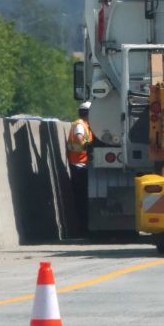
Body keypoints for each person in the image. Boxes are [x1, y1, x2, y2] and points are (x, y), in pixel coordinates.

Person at [67, 101, 93, 235]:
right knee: (82, 198)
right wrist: (88, 146)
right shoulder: (80, 125)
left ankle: (83, 227)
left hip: (79, 165)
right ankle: (82, 228)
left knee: (82, 198)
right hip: (79, 166)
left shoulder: (83, 124)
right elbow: (79, 138)